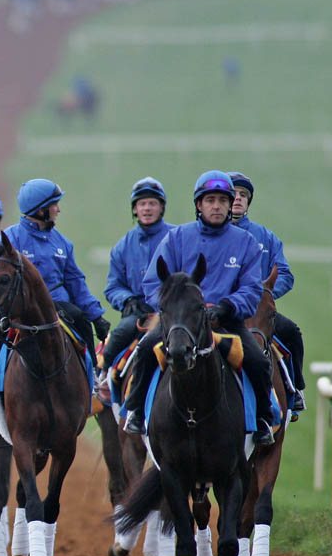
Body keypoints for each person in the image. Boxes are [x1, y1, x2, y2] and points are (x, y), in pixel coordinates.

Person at [121, 171, 275, 447]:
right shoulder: (177, 238)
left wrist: (228, 307)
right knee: (145, 350)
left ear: (230, 206)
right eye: (210, 200)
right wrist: (175, 307)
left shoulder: (246, 243)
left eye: (222, 201)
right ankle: (134, 411)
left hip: (227, 322)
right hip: (180, 322)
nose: (216, 206)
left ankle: (263, 419)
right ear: (199, 205)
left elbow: (252, 289)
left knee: (259, 362)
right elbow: (153, 283)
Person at [0, 179, 110, 391]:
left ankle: (92, 375)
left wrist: (96, 316)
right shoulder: (11, 239)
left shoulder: (63, 243)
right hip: (21, 308)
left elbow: (76, 283)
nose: (58, 209)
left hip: (58, 306)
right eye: (55, 205)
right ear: (41, 210)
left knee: (81, 319)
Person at [228, 172, 306, 410]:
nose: (238, 199)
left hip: (257, 312)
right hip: (225, 311)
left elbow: (285, 273)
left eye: (243, 195)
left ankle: (296, 390)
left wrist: (267, 294)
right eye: (233, 195)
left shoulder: (267, 237)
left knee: (291, 331)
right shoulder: (212, 235)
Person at [98, 177, 174, 384]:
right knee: (120, 332)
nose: (147, 208)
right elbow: (113, 287)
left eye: (152, 203)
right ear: (135, 209)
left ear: (161, 208)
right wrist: (129, 300)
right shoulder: (122, 246)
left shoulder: (178, 238)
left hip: (171, 311)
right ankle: (103, 376)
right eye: (142, 204)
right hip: (139, 313)